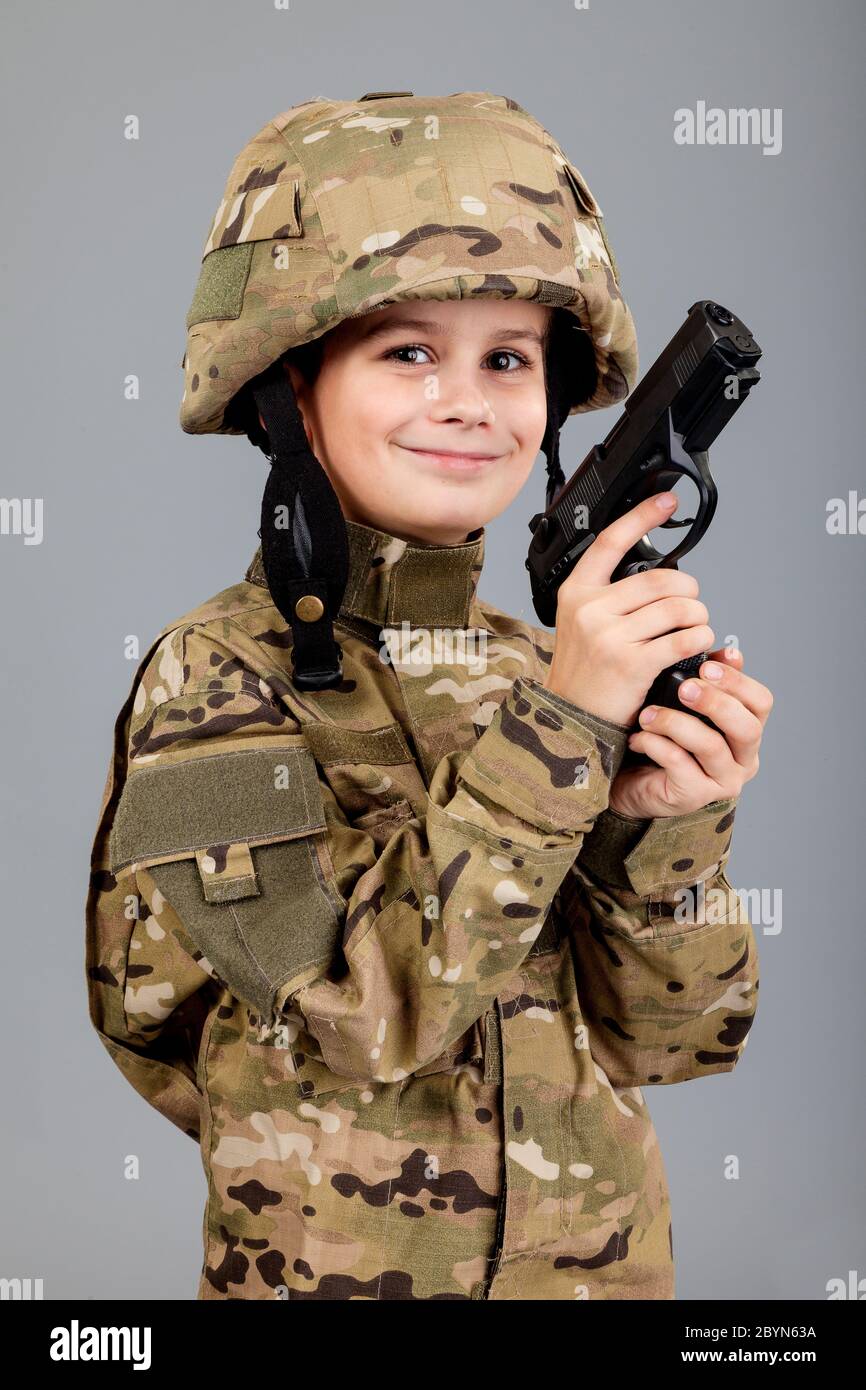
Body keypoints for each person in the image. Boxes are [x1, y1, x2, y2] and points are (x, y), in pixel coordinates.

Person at [85, 90, 772, 1300]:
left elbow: (672, 1042)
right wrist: (561, 730)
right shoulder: (213, 672)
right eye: (407, 351)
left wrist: (667, 823)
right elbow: (350, 1016)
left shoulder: (536, 660)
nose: (467, 400)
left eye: (508, 358)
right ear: (287, 388)